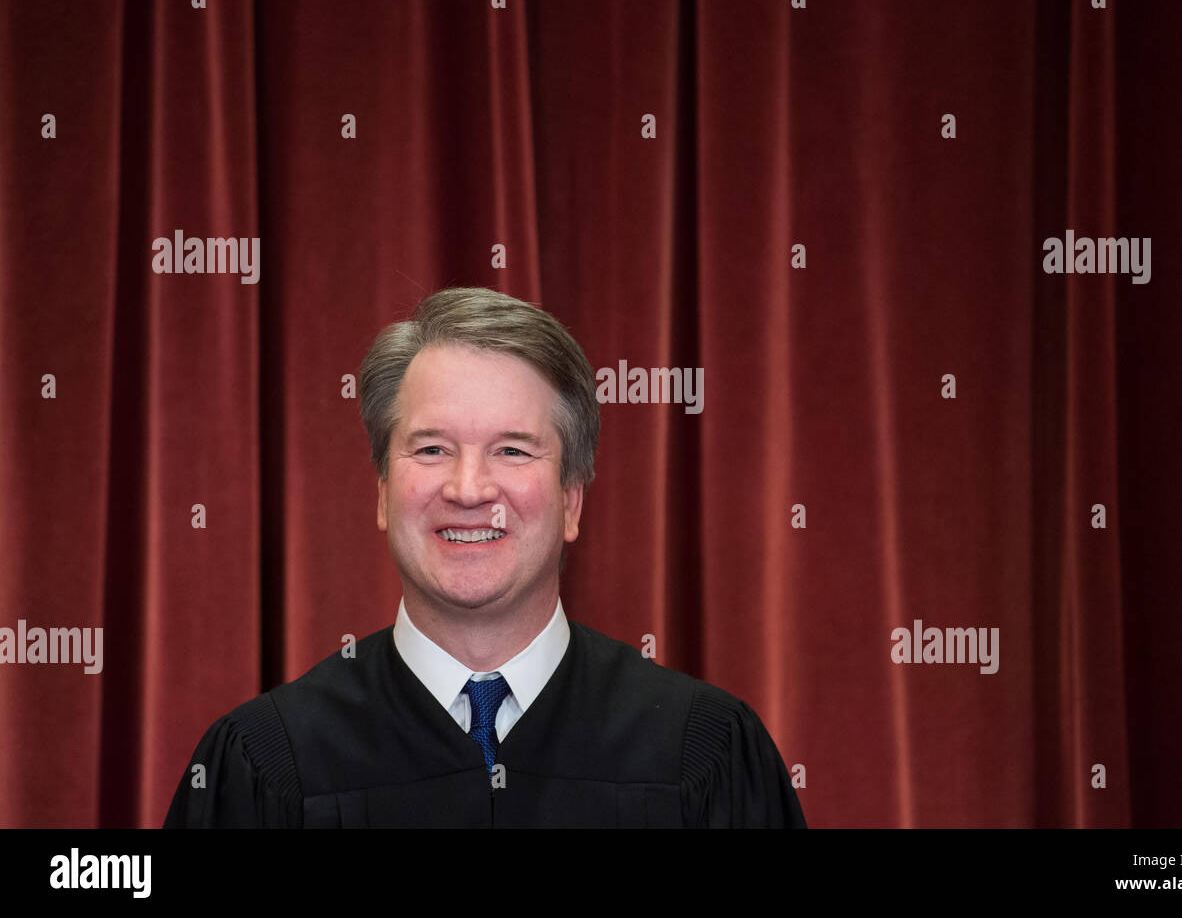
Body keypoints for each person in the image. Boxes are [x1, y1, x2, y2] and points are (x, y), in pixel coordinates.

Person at [164, 286, 805, 827]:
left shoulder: (705, 757)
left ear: (572, 501)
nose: (468, 490)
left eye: (514, 451)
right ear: (384, 494)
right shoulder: (264, 768)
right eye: (432, 449)